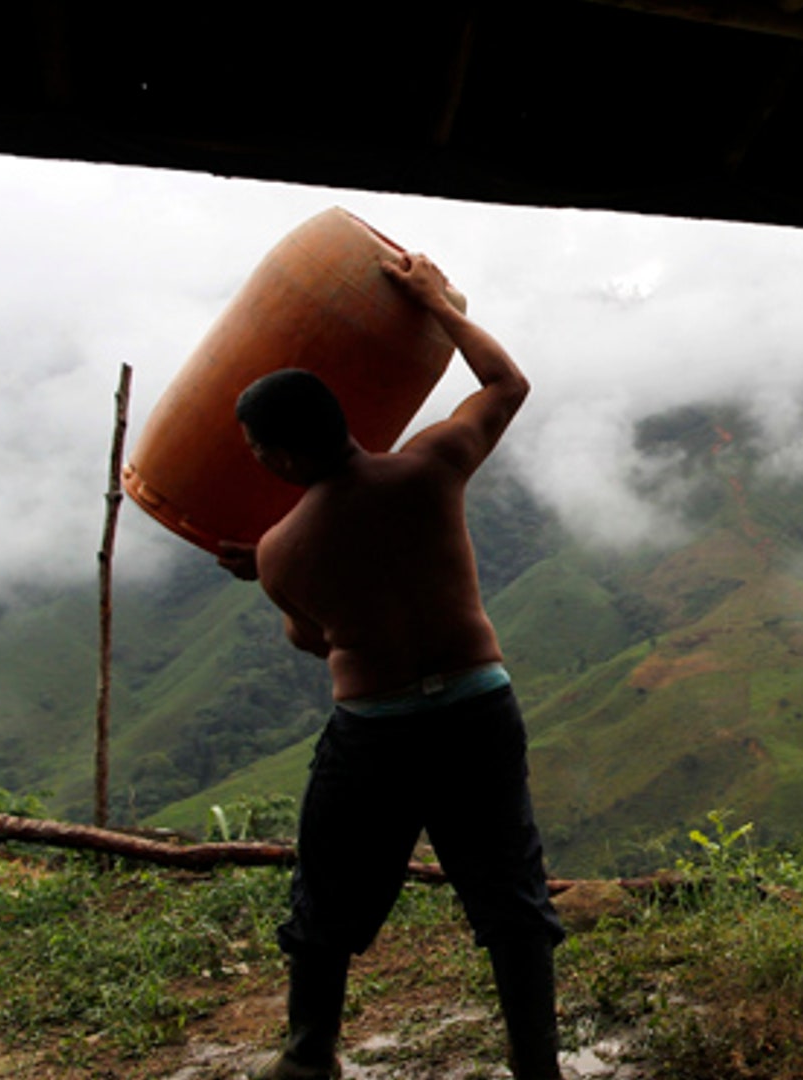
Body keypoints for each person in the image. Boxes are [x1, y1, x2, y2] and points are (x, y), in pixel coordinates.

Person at [217, 252, 565, 1080]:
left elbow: (316, 642)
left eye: (258, 449)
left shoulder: (280, 553)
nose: (258, 459)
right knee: (511, 899)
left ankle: (308, 1056)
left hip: (377, 736)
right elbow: (507, 384)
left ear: (284, 458)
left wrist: (268, 567)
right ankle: (537, 1068)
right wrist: (435, 303)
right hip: (479, 713)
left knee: (328, 895)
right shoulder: (429, 465)